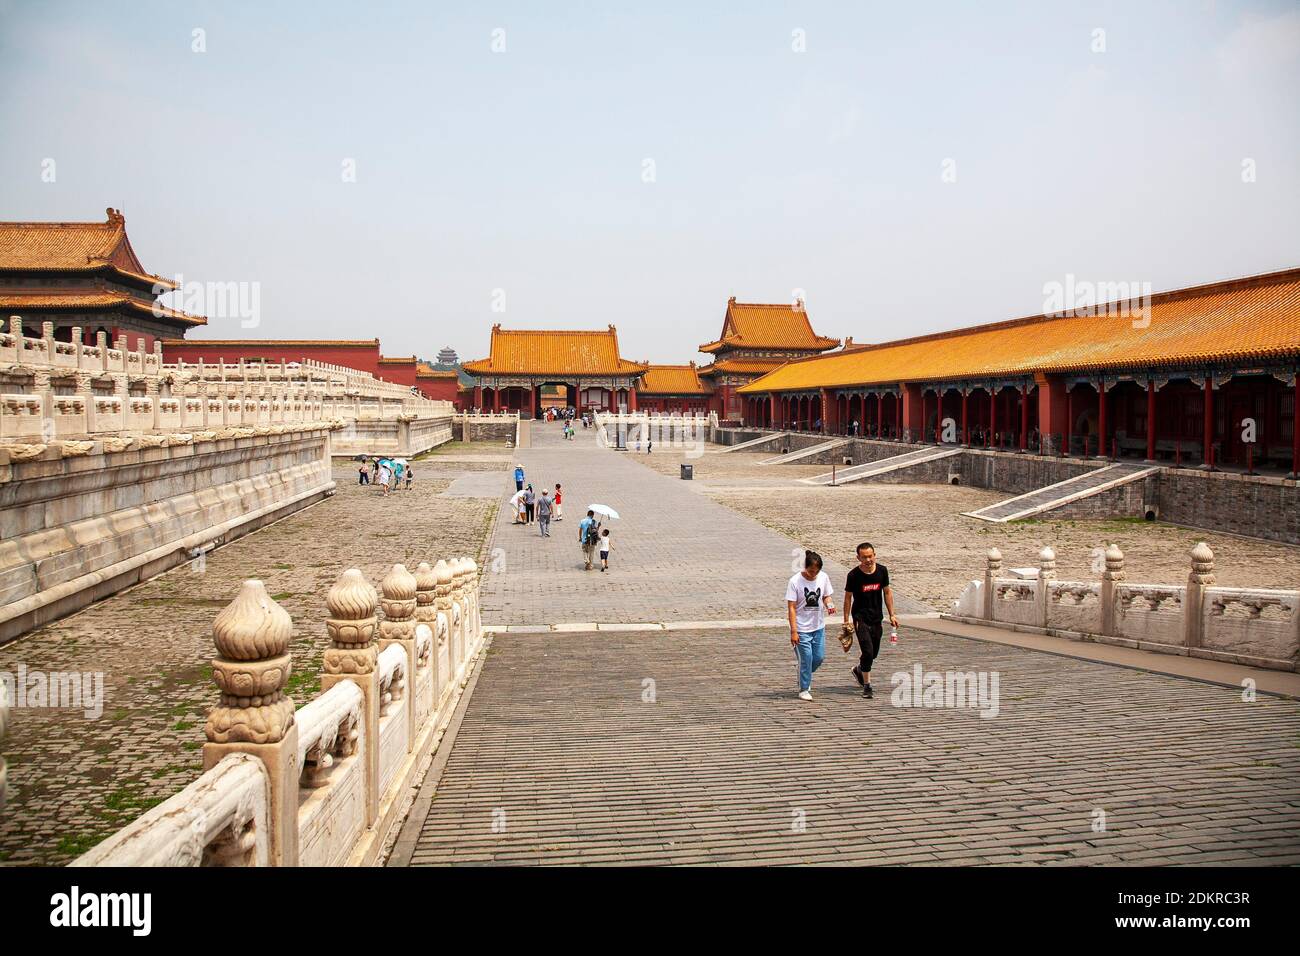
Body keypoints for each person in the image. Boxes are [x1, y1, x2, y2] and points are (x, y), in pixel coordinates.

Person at [843, 542, 898, 700]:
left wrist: (892, 615)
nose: (868, 560)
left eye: (870, 556)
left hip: (876, 618)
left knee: (873, 653)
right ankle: (867, 686)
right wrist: (846, 620)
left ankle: (859, 669)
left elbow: (887, 593)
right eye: (864, 557)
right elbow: (848, 598)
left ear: (875, 555)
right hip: (860, 617)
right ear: (858, 558)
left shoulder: (882, 571)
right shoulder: (853, 575)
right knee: (867, 651)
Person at [786, 551, 835, 701]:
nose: (814, 574)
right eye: (811, 571)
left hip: (818, 625)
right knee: (806, 658)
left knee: (818, 658)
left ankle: (803, 671)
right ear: (805, 567)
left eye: (817, 571)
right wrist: (794, 631)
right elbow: (792, 607)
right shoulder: (795, 581)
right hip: (801, 627)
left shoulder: (823, 577)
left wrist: (829, 604)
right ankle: (804, 688)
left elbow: (826, 595)